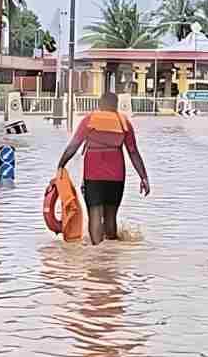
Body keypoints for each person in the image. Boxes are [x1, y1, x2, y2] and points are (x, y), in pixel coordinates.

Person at [57, 92, 150, 244]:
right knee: (111, 215)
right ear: (116, 105)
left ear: (100, 105)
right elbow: (133, 151)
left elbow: (73, 146)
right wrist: (143, 177)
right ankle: (111, 253)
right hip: (116, 176)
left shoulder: (90, 120)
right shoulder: (123, 122)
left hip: (93, 175)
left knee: (95, 213)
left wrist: (61, 165)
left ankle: (97, 253)